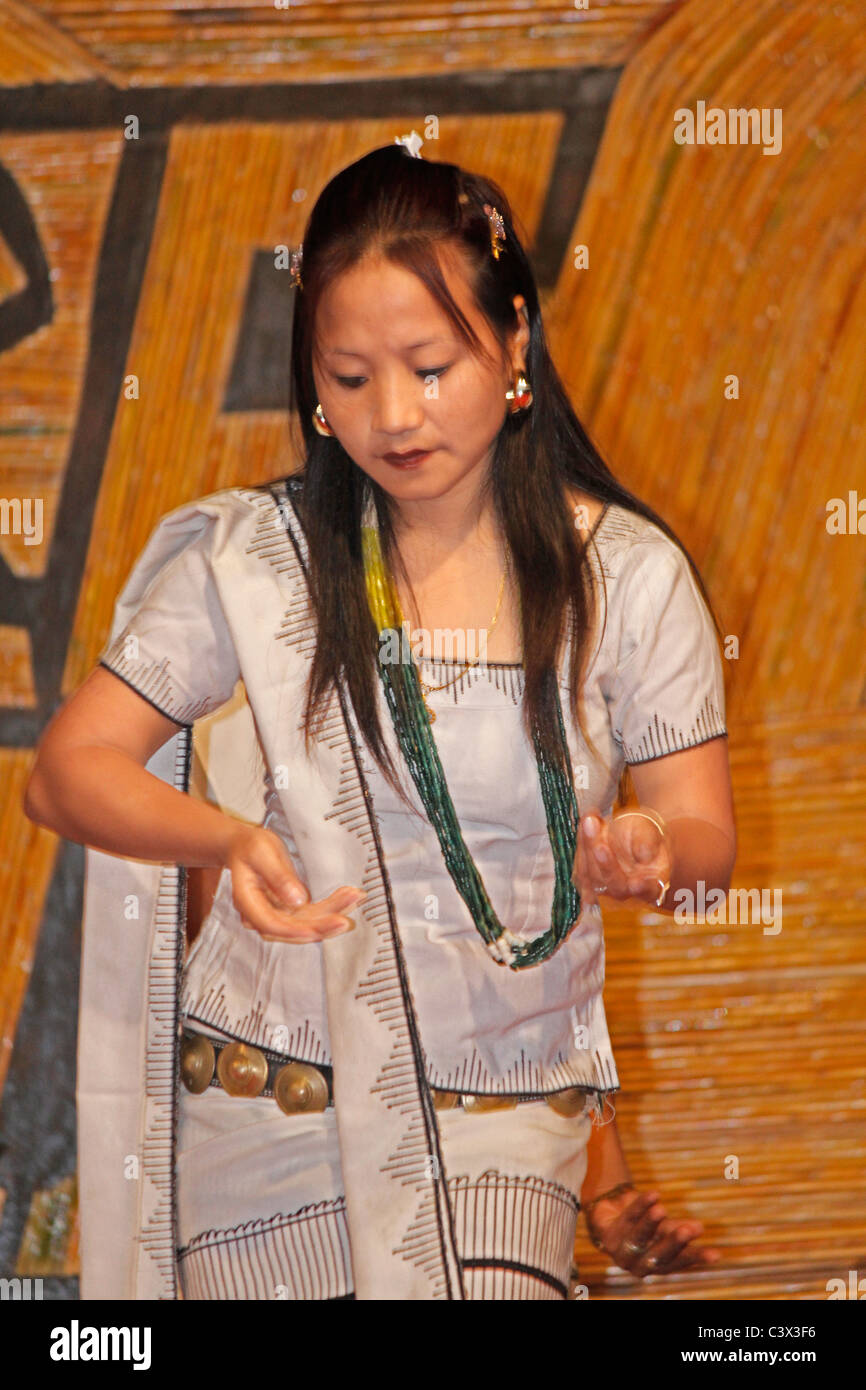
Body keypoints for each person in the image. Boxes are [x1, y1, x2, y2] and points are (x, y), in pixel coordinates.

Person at [23, 143, 735, 1301]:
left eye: (427, 364)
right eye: (348, 377)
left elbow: (707, 843)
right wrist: (228, 840)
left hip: (500, 1122)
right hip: (266, 1114)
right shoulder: (259, 557)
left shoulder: (628, 575)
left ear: (512, 346)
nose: (392, 414)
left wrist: (653, 854)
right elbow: (63, 774)